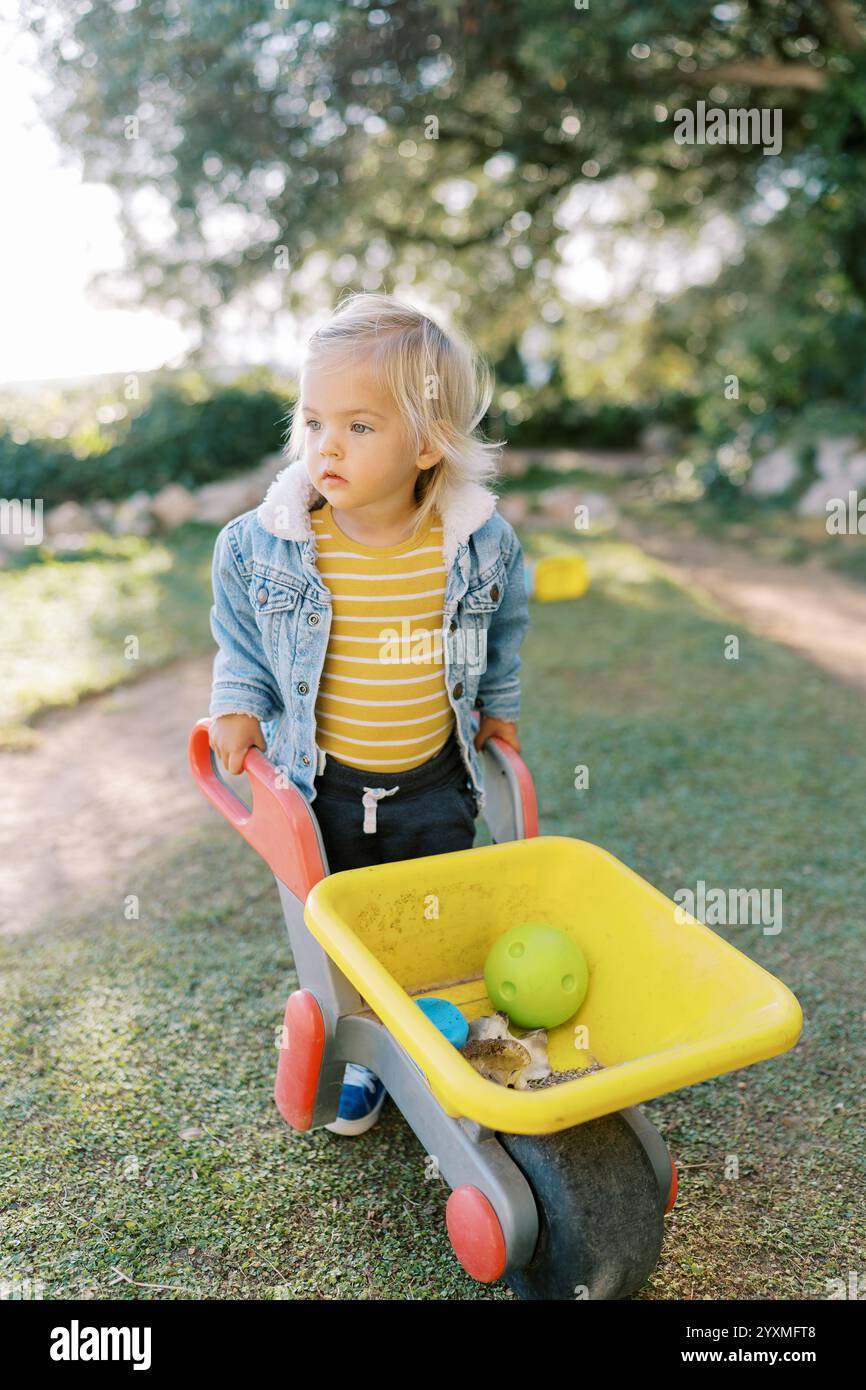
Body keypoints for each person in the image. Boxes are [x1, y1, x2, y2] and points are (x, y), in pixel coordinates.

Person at [207, 291, 529, 1134]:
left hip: (433, 780)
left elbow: (501, 630)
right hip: (326, 784)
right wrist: (238, 701)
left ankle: (421, 1035)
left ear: (427, 444)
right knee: (340, 931)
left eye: (358, 426)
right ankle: (358, 1057)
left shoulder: (473, 544)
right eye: (314, 423)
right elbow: (240, 634)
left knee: (426, 923)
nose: (327, 447)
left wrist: (498, 706)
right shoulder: (270, 544)